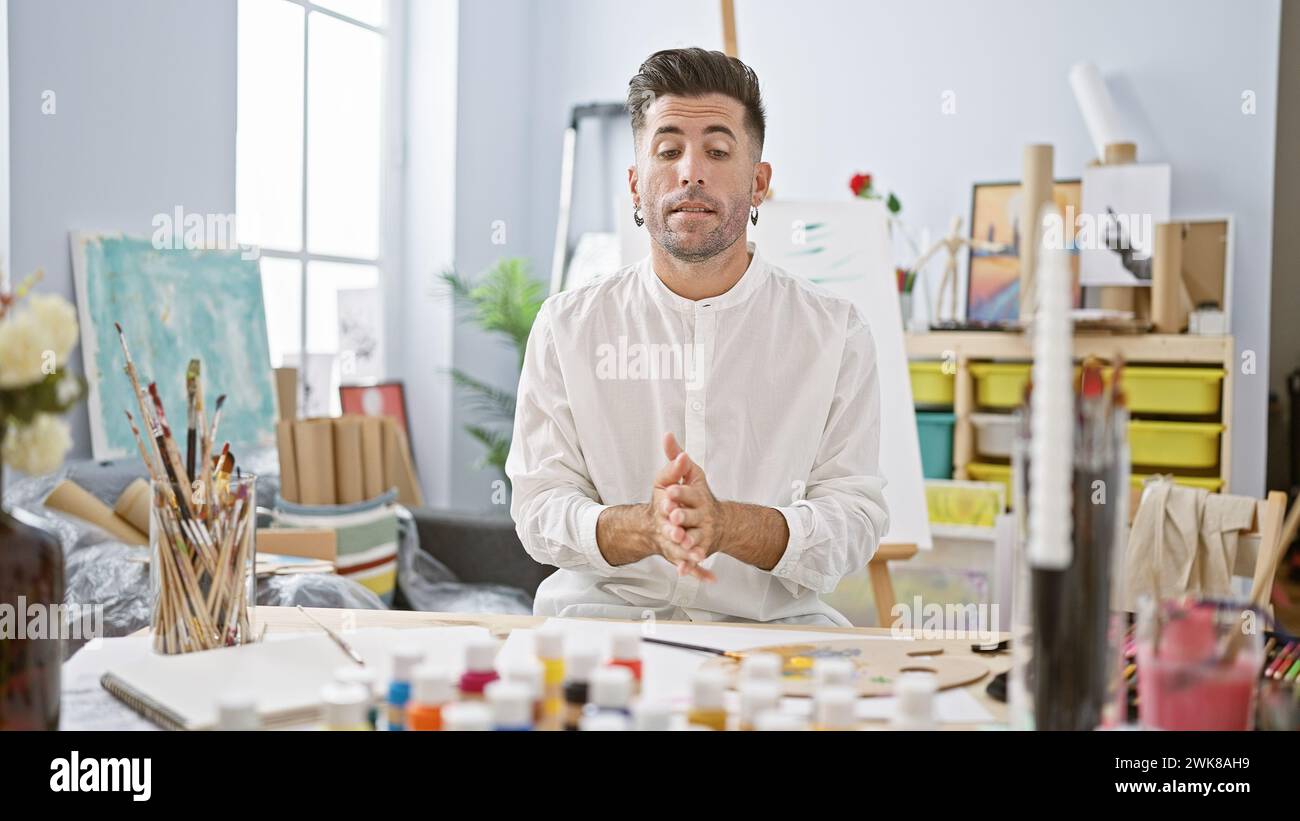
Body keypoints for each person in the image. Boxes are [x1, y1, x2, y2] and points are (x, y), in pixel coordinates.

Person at [506, 47, 888, 626]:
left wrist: (729, 525)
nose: (691, 171)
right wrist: (644, 526)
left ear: (759, 183)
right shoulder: (568, 327)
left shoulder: (834, 332)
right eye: (668, 151)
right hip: (598, 629)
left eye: (717, 149)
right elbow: (538, 508)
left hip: (773, 638)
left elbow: (854, 516)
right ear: (636, 185)